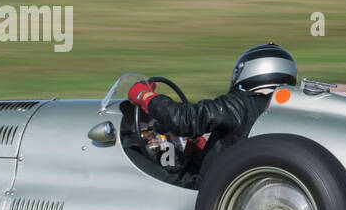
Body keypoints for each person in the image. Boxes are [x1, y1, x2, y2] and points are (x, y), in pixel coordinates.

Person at [126, 43, 297, 158]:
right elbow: (234, 140)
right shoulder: (282, 112)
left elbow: (184, 119)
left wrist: (146, 97)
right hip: (235, 183)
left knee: (137, 156)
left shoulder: (241, 104)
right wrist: (203, 146)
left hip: (207, 186)